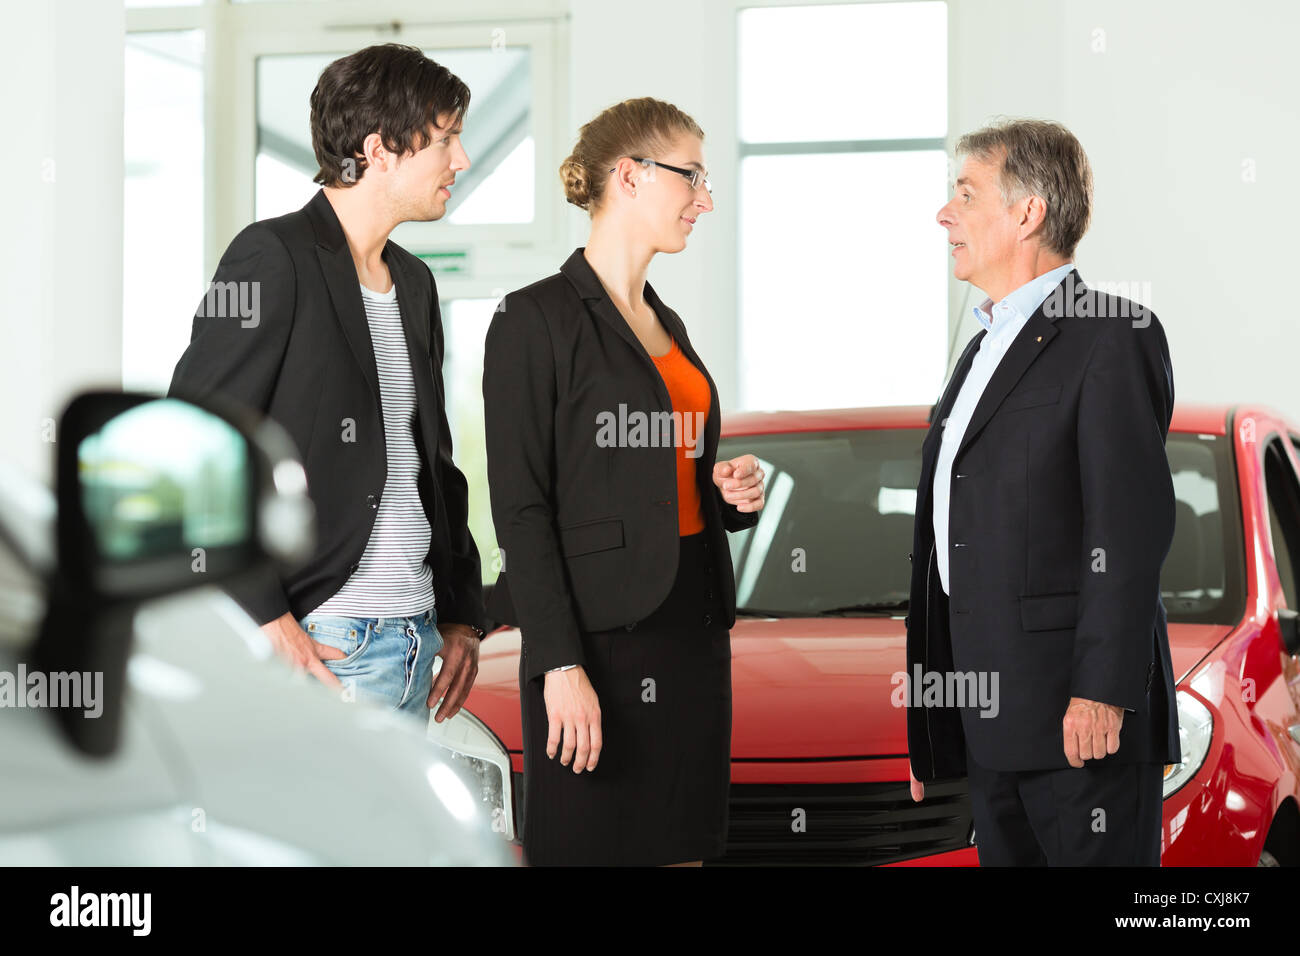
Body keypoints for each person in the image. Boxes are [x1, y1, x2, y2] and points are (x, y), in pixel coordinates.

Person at [482, 98, 766, 866]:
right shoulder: (532, 319)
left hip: (692, 630)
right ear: (631, 176)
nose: (705, 200)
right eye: (693, 178)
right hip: (597, 643)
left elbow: (654, 477)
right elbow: (521, 506)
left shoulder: (666, 321)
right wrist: (559, 665)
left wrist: (725, 492)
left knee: (683, 848)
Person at [168, 44, 487, 723]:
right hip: (327, 644)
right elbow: (189, 447)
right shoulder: (271, 257)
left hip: (416, 643)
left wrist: (462, 615)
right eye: (447, 139)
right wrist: (265, 617)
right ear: (381, 149)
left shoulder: (416, 283)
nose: (461, 160)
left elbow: (432, 463)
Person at [904, 119, 1180, 865]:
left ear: (1027, 214)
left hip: (1076, 721)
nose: (944, 214)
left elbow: (1127, 530)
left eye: (965, 194)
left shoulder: (1111, 334)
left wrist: (1101, 691)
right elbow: (949, 542)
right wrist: (935, 722)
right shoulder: (980, 351)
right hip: (992, 722)